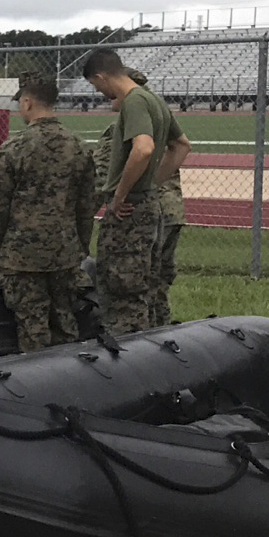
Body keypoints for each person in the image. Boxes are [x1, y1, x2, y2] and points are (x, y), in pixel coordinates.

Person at [0, 74, 95, 351]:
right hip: (65, 252)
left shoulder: (12, 150)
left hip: (22, 258)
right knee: (66, 321)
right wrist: (80, 247)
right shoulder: (78, 147)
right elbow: (86, 206)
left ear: (28, 102)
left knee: (32, 326)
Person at [83, 49, 190, 335]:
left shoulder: (134, 102)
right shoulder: (155, 101)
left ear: (101, 77)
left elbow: (143, 148)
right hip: (150, 207)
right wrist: (152, 184)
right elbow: (181, 145)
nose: (101, 93)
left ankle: (126, 356)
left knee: (122, 292)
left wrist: (121, 194)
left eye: (97, 86)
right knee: (147, 288)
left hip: (130, 212)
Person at [127, 69, 188, 327]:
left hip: (152, 210)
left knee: (141, 280)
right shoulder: (163, 116)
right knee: (161, 281)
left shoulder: (136, 121)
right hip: (172, 208)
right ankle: (163, 329)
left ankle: (147, 333)